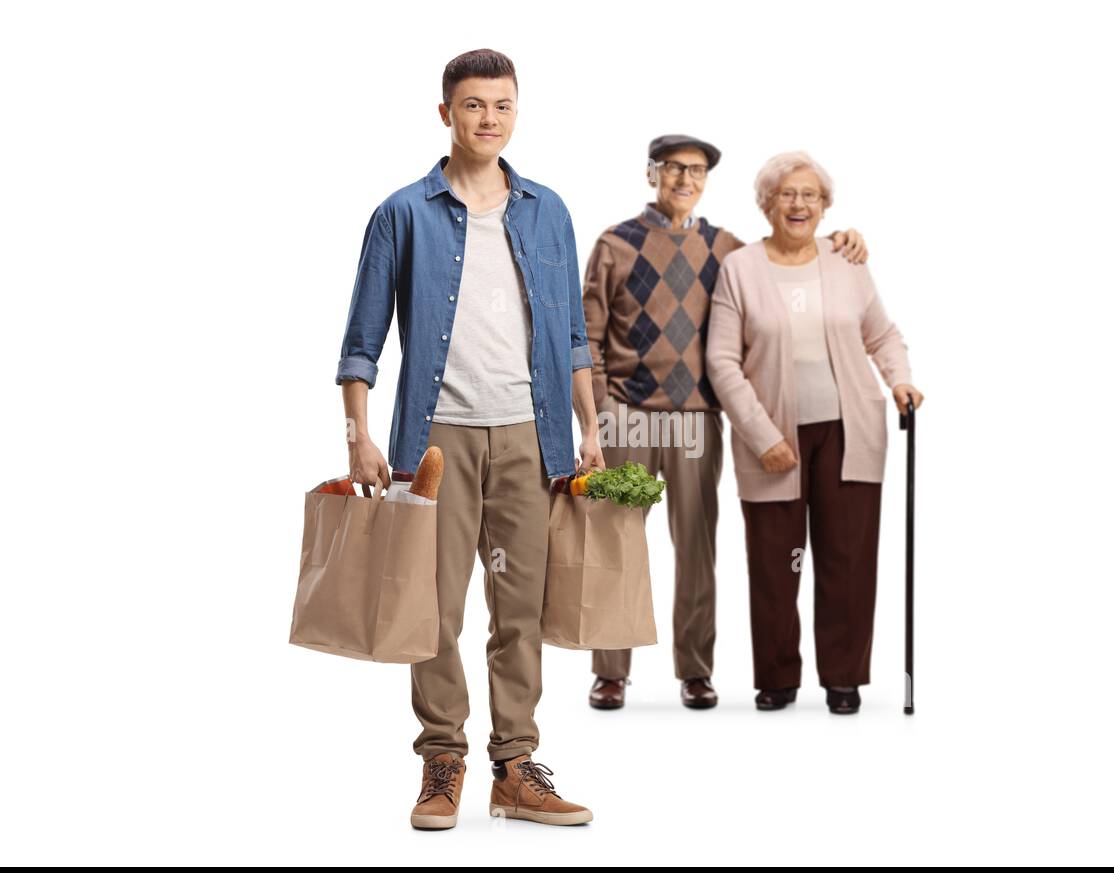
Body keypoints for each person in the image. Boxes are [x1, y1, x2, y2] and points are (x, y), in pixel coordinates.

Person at [336, 49, 602, 828]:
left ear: (516, 112)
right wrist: (358, 433)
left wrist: (591, 427)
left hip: (531, 432)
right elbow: (361, 339)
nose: (489, 118)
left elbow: (573, 334)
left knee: (520, 608)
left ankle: (515, 768)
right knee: (436, 607)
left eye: (503, 105)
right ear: (445, 112)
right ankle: (442, 760)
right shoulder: (402, 212)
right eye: (474, 105)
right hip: (436, 438)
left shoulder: (547, 209)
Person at [582, 134, 869, 711]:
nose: (685, 180)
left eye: (696, 171)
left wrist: (842, 240)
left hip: (696, 419)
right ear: (651, 174)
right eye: (673, 169)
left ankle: (694, 669)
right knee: (616, 545)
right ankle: (610, 671)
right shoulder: (615, 243)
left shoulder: (726, 249)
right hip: (627, 417)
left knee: (697, 549)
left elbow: (787, 251)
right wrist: (594, 419)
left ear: (706, 181)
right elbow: (586, 337)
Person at [704, 151, 926, 715]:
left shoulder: (846, 260)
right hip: (773, 436)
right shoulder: (741, 268)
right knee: (777, 563)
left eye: (810, 195)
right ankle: (777, 678)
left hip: (850, 433)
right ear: (767, 204)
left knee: (846, 561)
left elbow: (882, 336)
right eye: (787, 194)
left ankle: (844, 677)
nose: (798, 204)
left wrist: (900, 381)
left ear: (825, 206)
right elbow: (722, 362)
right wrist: (763, 436)